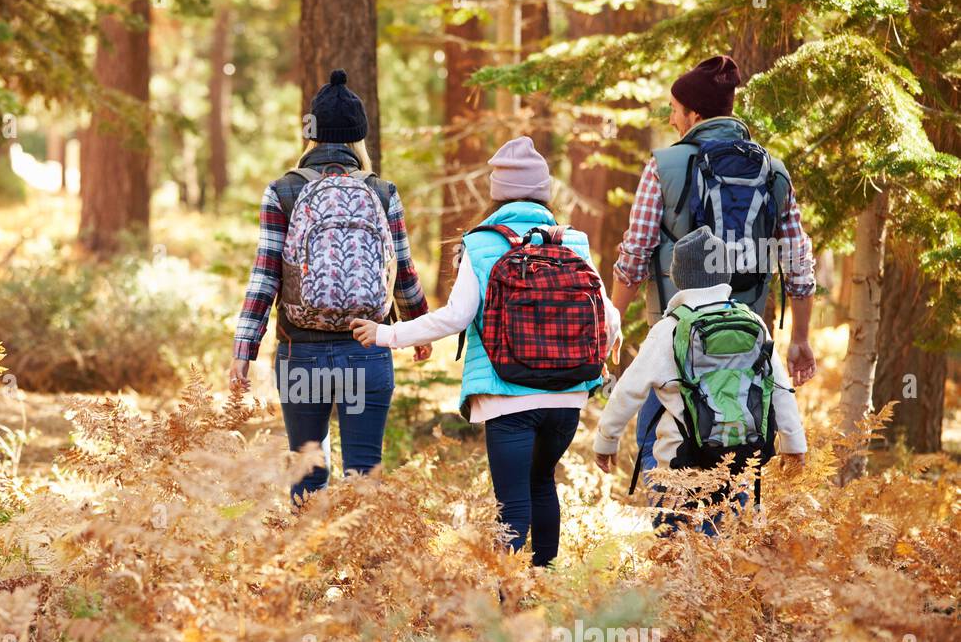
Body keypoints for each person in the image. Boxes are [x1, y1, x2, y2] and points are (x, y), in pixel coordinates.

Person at [351, 137, 621, 566]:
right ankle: (546, 586)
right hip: (568, 395)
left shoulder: (481, 244)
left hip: (505, 393)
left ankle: (508, 603)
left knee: (511, 502)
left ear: (498, 193)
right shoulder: (574, 241)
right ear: (543, 192)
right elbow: (606, 316)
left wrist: (386, 335)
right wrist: (600, 356)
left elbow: (456, 317)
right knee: (542, 483)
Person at [608, 55, 817, 484]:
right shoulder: (773, 172)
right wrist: (799, 338)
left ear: (694, 114)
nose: (670, 118)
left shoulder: (663, 167)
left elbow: (634, 256)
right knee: (740, 452)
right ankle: (728, 545)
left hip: (678, 341)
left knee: (665, 447)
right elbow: (798, 263)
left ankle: (677, 540)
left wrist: (611, 324)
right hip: (747, 342)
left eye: (674, 109)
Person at [228, 69, 432, 502]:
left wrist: (243, 352)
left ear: (311, 135)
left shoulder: (283, 191)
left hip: (300, 351)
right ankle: (362, 567)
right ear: (359, 137)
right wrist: (419, 328)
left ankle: (307, 567)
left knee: (306, 471)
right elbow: (403, 269)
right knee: (363, 475)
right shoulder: (381, 191)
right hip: (367, 349)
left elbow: (265, 278)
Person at [594, 227, 806, 533]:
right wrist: (793, 443)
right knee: (724, 543)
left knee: (678, 544)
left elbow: (627, 392)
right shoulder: (752, 321)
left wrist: (607, 440)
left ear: (678, 278)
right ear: (725, 275)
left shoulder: (668, 329)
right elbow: (780, 389)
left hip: (680, 462)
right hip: (739, 457)